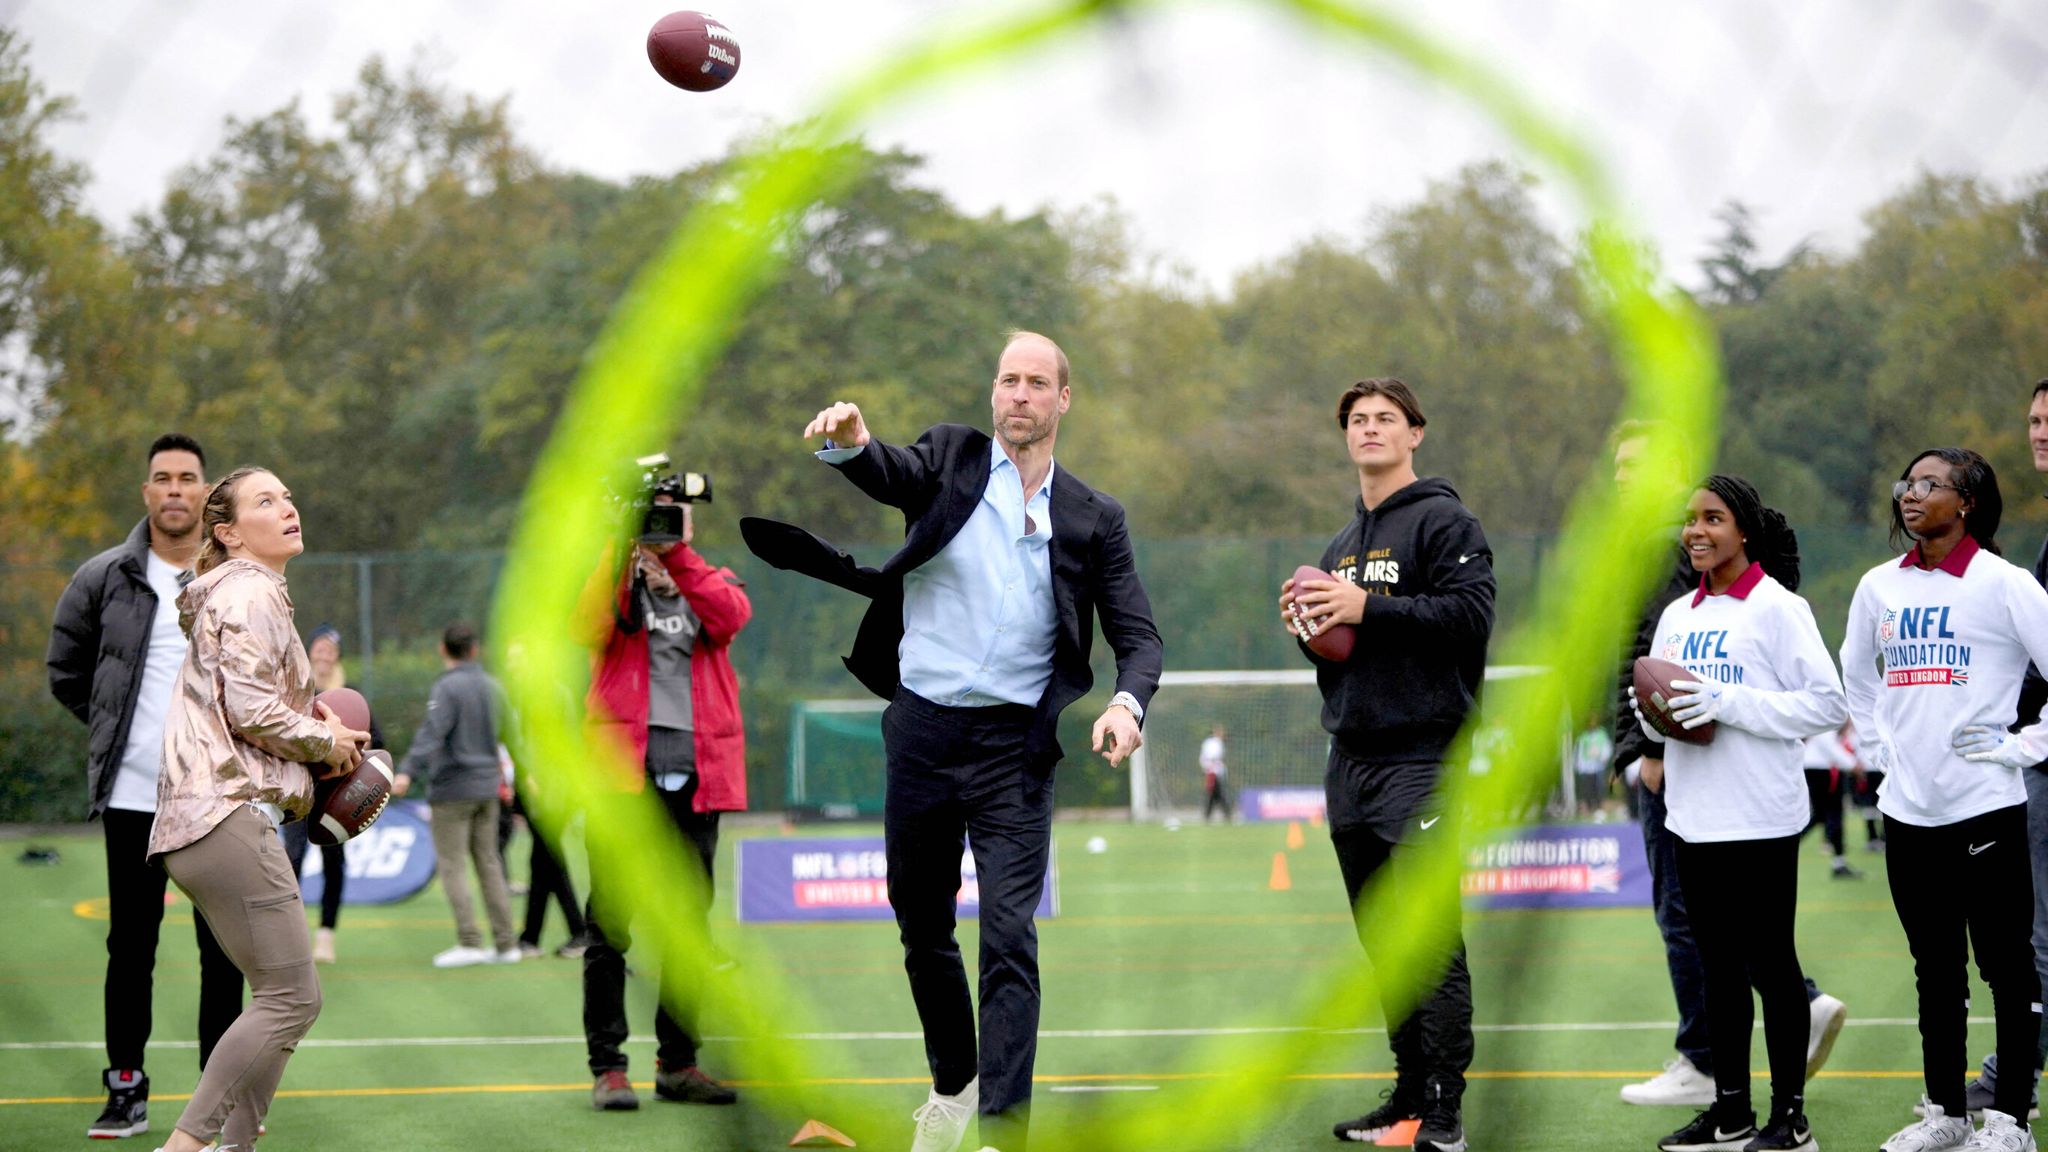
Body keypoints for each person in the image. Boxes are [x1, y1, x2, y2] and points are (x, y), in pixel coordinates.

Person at [751, 329, 1163, 1152]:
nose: (1019, 394)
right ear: (994, 393)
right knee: (920, 923)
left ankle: (1006, 1132)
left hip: (1016, 749)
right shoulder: (949, 459)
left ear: (1062, 400)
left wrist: (1126, 705)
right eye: (1008, 379)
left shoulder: (1093, 517)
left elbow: (1138, 635)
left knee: (1010, 936)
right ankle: (953, 1087)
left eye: (1036, 382)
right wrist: (854, 445)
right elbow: (889, 469)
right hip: (923, 733)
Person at [1608, 424, 1849, 1111]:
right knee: (1718, 961)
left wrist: (1694, 721)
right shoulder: (1683, 609)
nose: (1696, 531)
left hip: (1757, 809)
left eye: (1711, 519)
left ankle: (1777, 1109)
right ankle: (1731, 1108)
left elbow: (1823, 703)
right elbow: (1649, 675)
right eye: (1692, 521)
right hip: (1695, 806)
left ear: (1742, 529)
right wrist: (1648, 725)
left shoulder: (1775, 604)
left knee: (1760, 959)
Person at [1281, 378, 1493, 1152]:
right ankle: (1406, 1098)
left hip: (1424, 758)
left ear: (1415, 434)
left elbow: (1471, 617)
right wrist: (1311, 628)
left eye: (1385, 419)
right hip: (1353, 761)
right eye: (1358, 421)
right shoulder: (1341, 546)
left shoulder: (1444, 520)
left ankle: (1444, 1114)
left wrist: (1366, 608)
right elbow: (1346, 663)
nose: (1369, 429)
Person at [144, 465, 370, 1152]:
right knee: (293, 998)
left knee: (278, 997)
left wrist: (317, 733)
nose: (287, 507)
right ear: (230, 534)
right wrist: (323, 737)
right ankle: (185, 1147)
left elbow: (248, 705)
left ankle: (235, 1146)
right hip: (224, 814)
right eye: (266, 501)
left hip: (203, 820)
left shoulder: (240, 591)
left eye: (288, 496)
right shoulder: (250, 590)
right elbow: (248, 708)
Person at [1843, 448, 2048, 1152]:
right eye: (1908, 481)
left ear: (1966, 503)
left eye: (1931, 484)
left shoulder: (2004, 584)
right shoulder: (1877, 587)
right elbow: (1857, 681)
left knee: (2006, 967)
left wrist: (2027, 746)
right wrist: (1879, 755)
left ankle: (2012, 1121)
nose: (1912, 493)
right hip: (1908, 815)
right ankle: (1946, 1115)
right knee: (1934, 969)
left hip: (1987, 807)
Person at [45, 433, 246, 1140]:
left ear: (205, 494)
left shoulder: (238, 578)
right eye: (161, 478)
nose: (173, 490)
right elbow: (66, 670)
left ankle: (212, 1108)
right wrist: (115, 733)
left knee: (223, 955)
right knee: (130, 950)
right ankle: (125, 1088)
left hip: (217, 800)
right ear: (147, 493)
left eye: (187, 479)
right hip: (133, 799)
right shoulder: (103, 576)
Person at [576, 493, 751, 1112]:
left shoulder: (710, 583)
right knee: (611, 929)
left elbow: (732, 616)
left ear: (691, 525)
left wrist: (677, 559)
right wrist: (615, 547)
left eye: (673, 518)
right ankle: (609, 1068)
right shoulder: (618, 590)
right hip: (623, 781)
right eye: (655, 519)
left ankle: (678, 1064)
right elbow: (586, 625)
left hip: (698, 777)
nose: (662, 529)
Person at [1944, 380, 2048, 1124]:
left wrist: (2024, 741)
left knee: (2031, 936)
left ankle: (2018, 1082)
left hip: (2037, 766)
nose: (2039, 432)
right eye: (2035, 420)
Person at [393, 622, 520, 968]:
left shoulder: (447, 688)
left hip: (453, 790)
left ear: (442, 649)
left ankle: (470, 941)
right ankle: (507, 944)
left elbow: (432, 734)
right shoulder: (494, 686)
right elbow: (512, 734)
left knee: (453, 866)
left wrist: (406, 771)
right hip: (487, 788)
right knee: (490, 863)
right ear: (475, 649)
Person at [275, 623, 369, 964]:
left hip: (336, 793)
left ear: (337, 656)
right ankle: (291, 936)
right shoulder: (295, 690)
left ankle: (326, 935)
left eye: (331, 649)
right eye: (320, 647)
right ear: (309, 650)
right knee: (293, 859)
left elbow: (374, 739)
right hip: (299, 790)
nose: (324, 654)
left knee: (334, 861)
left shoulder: (351, 695)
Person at [1801, 726, 1862, 879]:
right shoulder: (1825, 724)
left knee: (1823, 816)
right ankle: (1839, 863)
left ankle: (1839, 862)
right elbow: (1830, 746)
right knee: (1829, 815)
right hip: (1823, 771)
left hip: (1821, 769)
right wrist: (1852, 764)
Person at [1574, 718, 1614, 819]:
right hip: (1587, 767)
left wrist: (1604, 758)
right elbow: (1578, 752)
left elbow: (1607, 747)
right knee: (1587, 788)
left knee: (1599, 787)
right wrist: (1579, 766)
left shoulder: (1601, 734)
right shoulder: (1583, 736)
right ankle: (1588, 808)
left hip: (1598, 766)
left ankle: (1599, 808)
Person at [1199, 725, 1232, 823]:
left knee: (1215, 794)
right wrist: (1211, 768)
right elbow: (1211, 757)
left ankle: (1210, 815)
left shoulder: (1212, 742)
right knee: (1217, 793)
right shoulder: (1214, 743)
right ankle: (1226, 814)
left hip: (1213, 771)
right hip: (1212, 772)